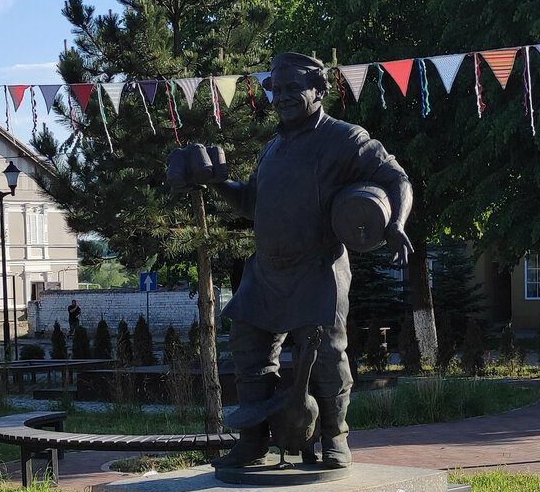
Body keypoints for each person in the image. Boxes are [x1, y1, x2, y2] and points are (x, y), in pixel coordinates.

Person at [168, 52, 413, 469]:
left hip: (317, 269)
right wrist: (215, 183)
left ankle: (335, 436)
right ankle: (253, 440)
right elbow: (251, 202)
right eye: (276, 90)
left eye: (291, 88)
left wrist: (396, 222)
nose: (281, 97)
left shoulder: (344, 138)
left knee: (327, 356)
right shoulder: (272, 148)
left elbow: (397, 178)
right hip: (266, 271)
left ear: (318, 90)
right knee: (247, 345)